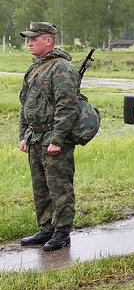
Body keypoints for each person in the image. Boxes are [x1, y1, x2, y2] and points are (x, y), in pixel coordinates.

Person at [18, 22, 80, 252]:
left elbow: (68, 107)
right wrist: (23, 135)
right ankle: (46, 227)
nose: (29, 43)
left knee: (59, 186)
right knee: (41, 187)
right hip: (35, 137)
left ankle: (62, 232)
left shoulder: (61, 68)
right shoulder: (35, 68)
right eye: (29, 39)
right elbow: (25, 104)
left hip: (53, 138)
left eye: (34, 39)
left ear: (48, 41)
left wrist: (57, 139)